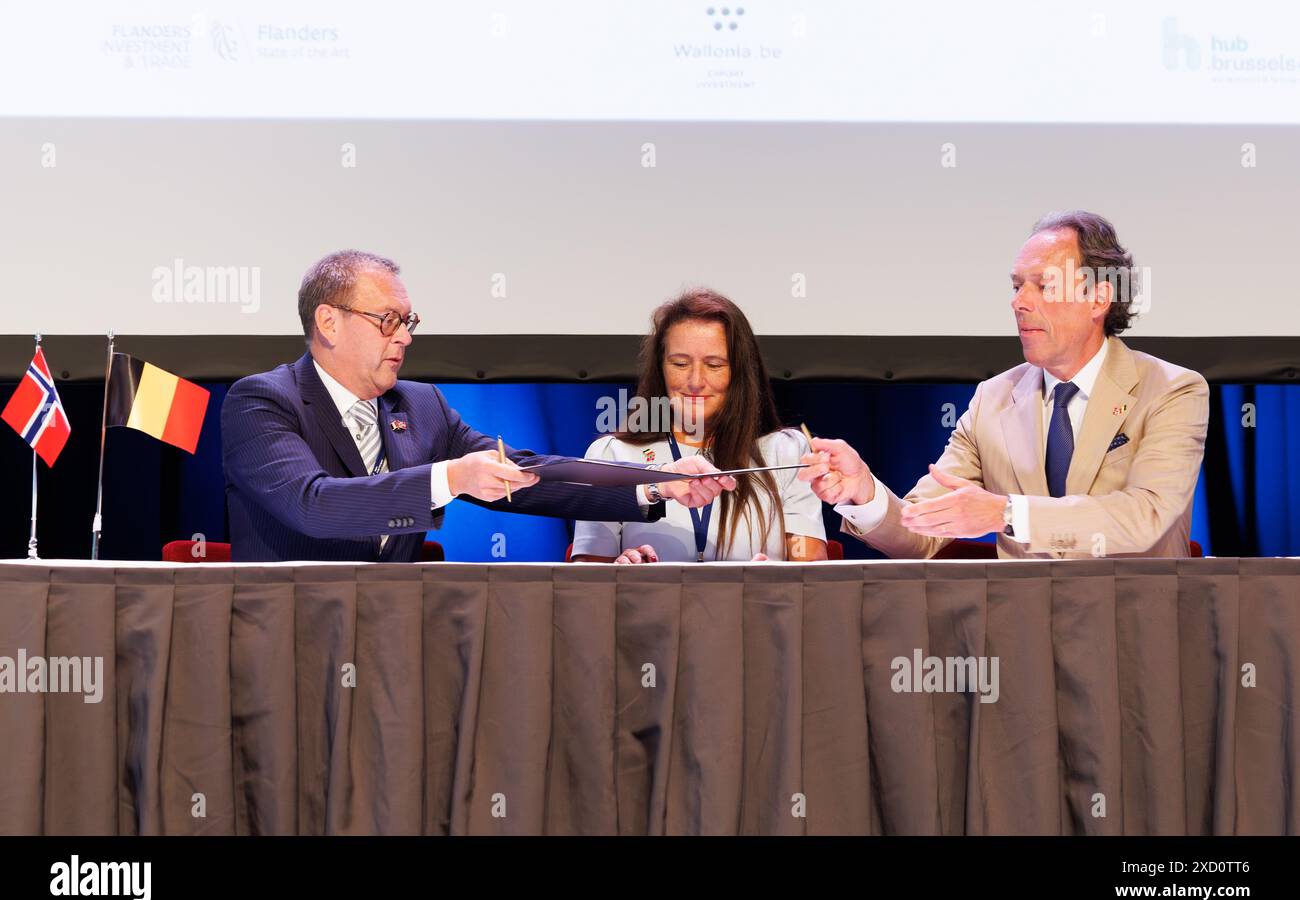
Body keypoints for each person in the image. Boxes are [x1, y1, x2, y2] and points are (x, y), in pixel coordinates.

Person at [222, 250, 732, 562]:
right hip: (289, 645)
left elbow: (527, 474)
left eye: (409, 322)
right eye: (388, 321)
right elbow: (315, 505)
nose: (405, 337)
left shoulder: (420, 405)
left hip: (392, 644)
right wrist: (450, 479)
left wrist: (654, 483)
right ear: (328, 322)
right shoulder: (263, 402)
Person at [799, 211, 1209, 559]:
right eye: (1016, 286)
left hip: (1132, 636)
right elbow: (922, 532)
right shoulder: (992, 400)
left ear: (1098, 298)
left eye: (1043, 286)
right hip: (1022, 639)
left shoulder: (1172, 390)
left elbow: (1146, 516)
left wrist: (1007, 514)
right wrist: (863, 491)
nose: (1019, 302)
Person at [572, 288, 827, 564]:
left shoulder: (786, 453)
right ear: (660, 369)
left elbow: (809, 580)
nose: (695, 381)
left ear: (740, 373)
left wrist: (774, 581)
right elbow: (589, 583)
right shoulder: (610, 455)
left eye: (714, 365)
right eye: (680, 363)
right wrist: (619, 572)